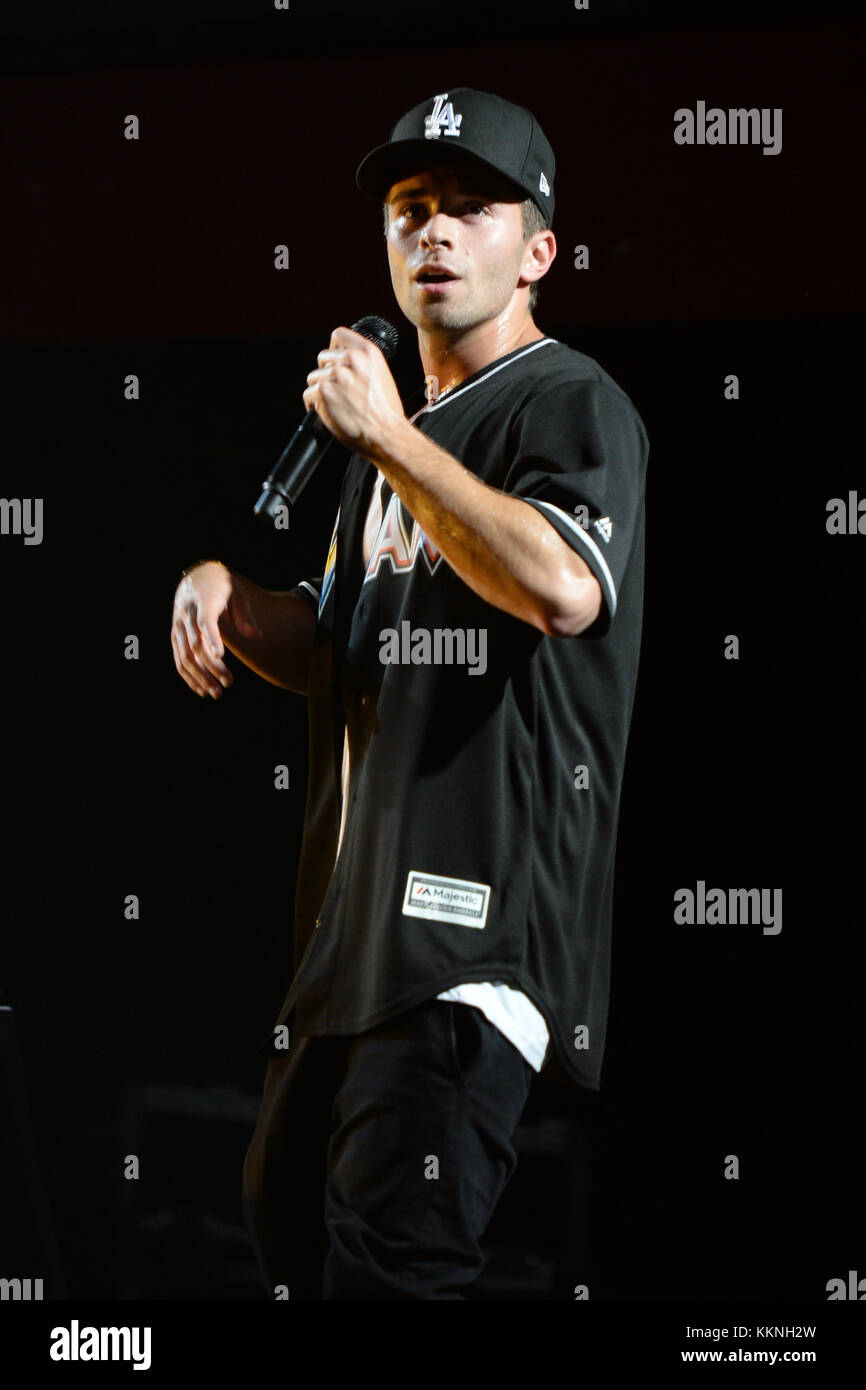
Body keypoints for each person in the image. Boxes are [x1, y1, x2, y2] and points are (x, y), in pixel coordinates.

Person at [170, 87, 648, 1299]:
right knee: (285, 1238)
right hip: (350, 948)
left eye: (469, 208)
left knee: (392, 1267)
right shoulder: (391, 445)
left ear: (536, 249)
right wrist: (226, 591)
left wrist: (385, 438)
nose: (432, 230)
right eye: (409, 207)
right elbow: (330, 641)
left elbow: (557, 585)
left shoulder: (563, 399)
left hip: (468, 939)